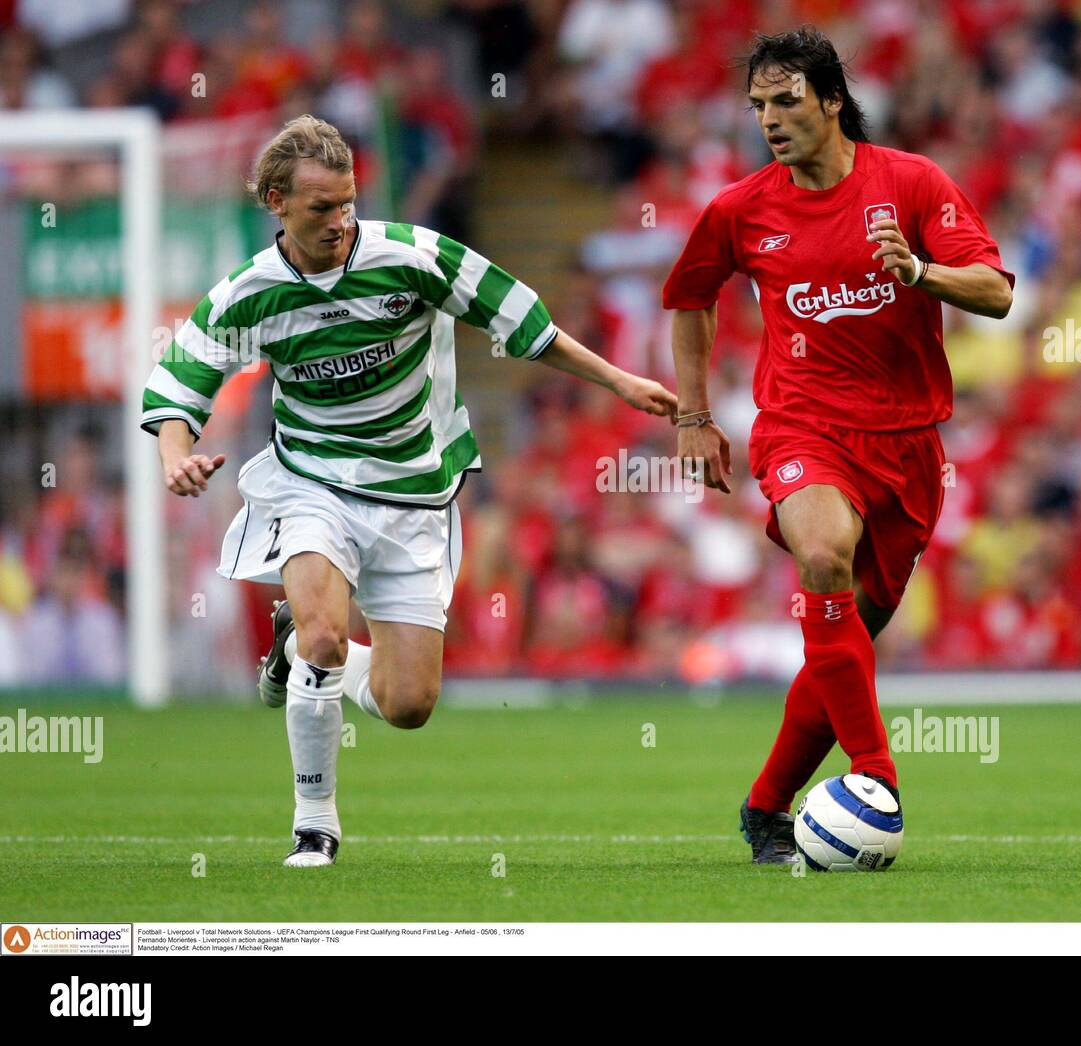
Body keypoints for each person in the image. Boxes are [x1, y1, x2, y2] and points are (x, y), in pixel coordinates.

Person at [142, 115, 675, 867]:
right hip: (311, 481)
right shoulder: (248, 294)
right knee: (330, 632)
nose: (340, 222)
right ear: (275, 202)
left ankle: (293, 646)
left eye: (349, 202)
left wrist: (619, 380)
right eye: (321, 208)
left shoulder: (413, 256)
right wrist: (175, 454)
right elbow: (180, 383)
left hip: (414, 491)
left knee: (408, 704)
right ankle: (314, 822)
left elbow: (521, 321)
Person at [663, 27, 1014, 864]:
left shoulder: (914, 183)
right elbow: (691, 297)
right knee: (821, 558)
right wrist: (692, 414)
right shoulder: (741, 209)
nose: (770, 119)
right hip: (802, 427)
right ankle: (876, 773)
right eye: (757, 106)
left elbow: (996, 293)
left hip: (908, 447)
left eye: (786, 100)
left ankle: (765, 806)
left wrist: (922, 274)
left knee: (844, 640)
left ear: (830, 100)